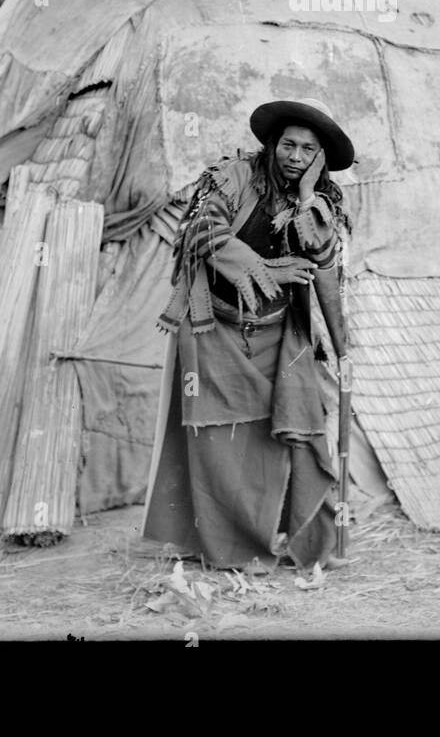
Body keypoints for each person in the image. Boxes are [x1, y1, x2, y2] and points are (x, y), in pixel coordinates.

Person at [142, 97, 354, 570]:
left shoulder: (321, 203)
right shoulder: (232, 177)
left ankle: (308, 544)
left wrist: (343, 348)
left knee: (300, 431)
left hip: (282, 334)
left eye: (308, 150)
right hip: (215, 329)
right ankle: (232, 549)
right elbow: (198, 230)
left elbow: (323, 266)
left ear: (320, 159)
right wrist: (267, 270)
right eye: (288, 145)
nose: (295, 157)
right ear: (273, 143)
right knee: (223, 448)